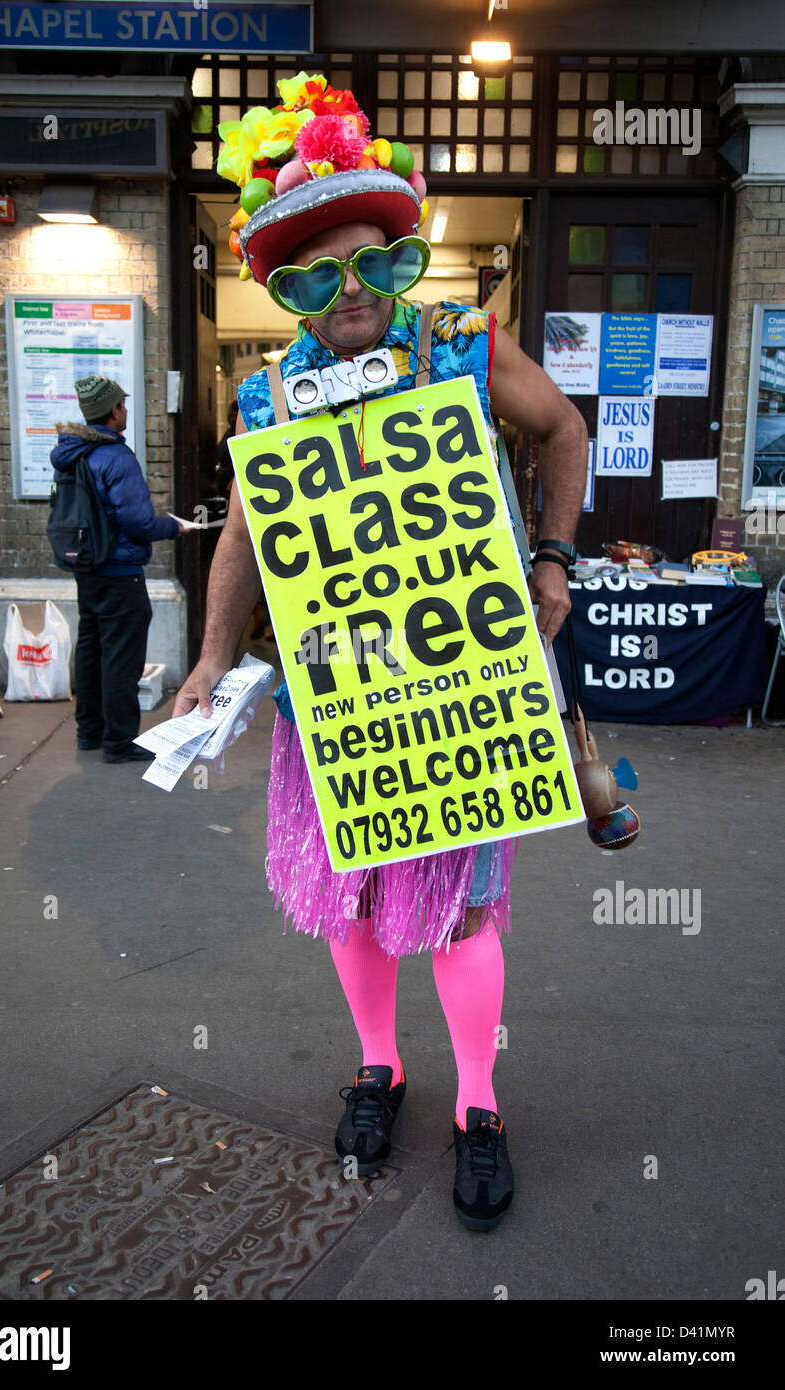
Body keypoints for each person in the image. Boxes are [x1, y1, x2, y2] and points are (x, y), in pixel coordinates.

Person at [173, 75, 588, 1231]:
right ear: (283, 287)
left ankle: (478, 1107)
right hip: (337, 693)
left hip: (463, 687)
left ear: (405, 262)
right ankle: (377, 1070)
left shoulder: (461, 344)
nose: (348, 292)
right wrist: (211, 656)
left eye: (375, 264)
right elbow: (245, 538)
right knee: (355, 896)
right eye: (314, 275)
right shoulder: (268, 398)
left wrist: (552, 560)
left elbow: (560, 430)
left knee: (460, 907)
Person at [50, 376, 189, 763]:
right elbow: (138, 522)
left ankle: (89, 732)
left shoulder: (72, 452)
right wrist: (173, 526)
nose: (125, 410)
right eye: (122, 405)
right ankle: (119, 742)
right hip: (119, 571)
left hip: (87, 566)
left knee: (91, 648)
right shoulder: (115, 457)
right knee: (121, 658)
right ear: (114, 411)